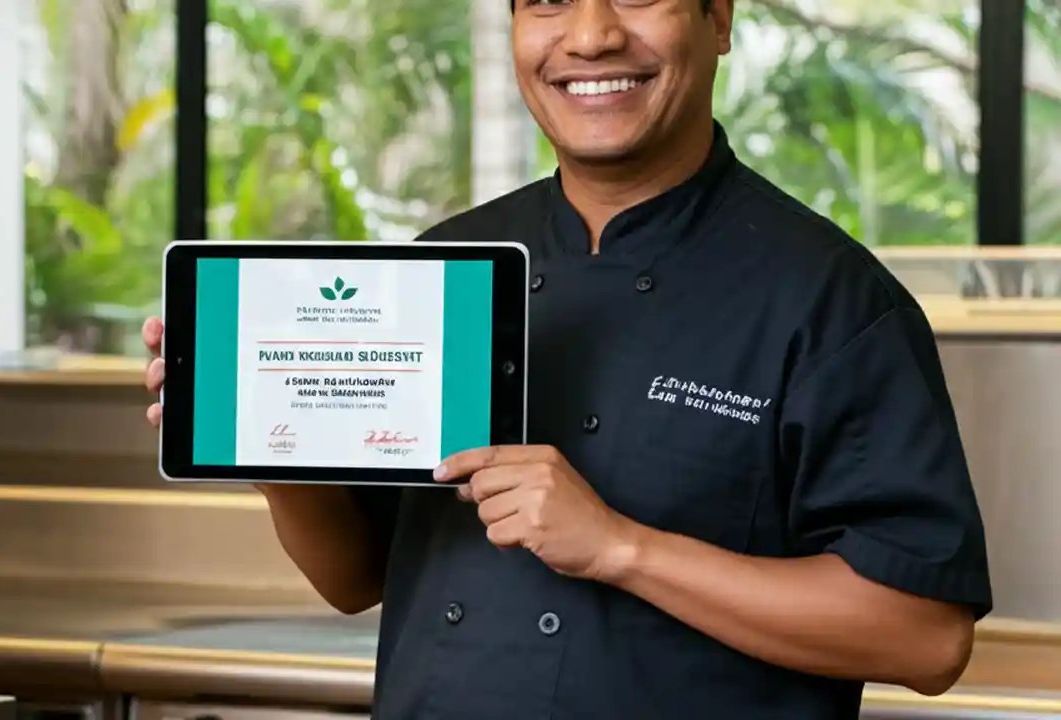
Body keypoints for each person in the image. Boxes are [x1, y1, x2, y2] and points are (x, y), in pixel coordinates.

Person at [143, 0, 993, 716]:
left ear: (720, 18)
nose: (589, 37)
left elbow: (925, 637)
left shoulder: (831, 301)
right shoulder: (449, 263)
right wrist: (268, 439)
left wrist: (621, 548)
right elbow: (355, 576)